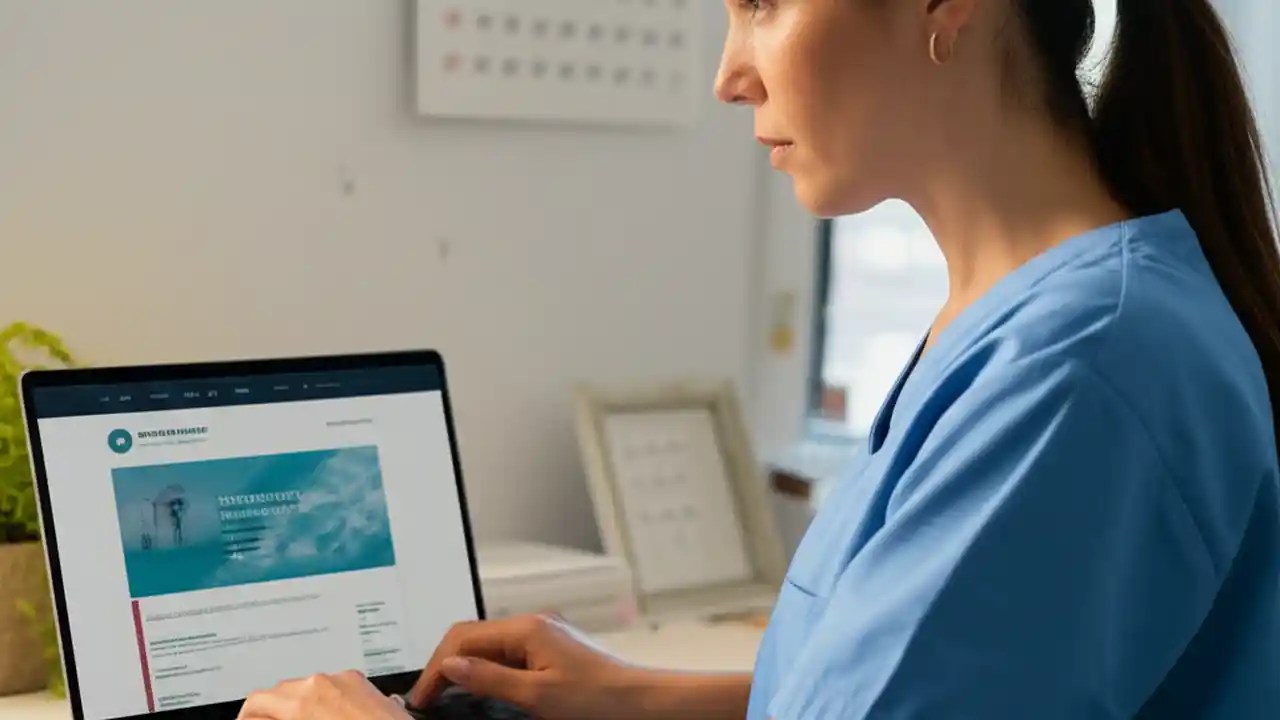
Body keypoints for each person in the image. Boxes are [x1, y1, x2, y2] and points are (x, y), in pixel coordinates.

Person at [237, 0, 1280, 718]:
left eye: (764, 5)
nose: (727, 73)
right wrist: (637, 696)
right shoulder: (1021, 321)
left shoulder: (1081, 372)